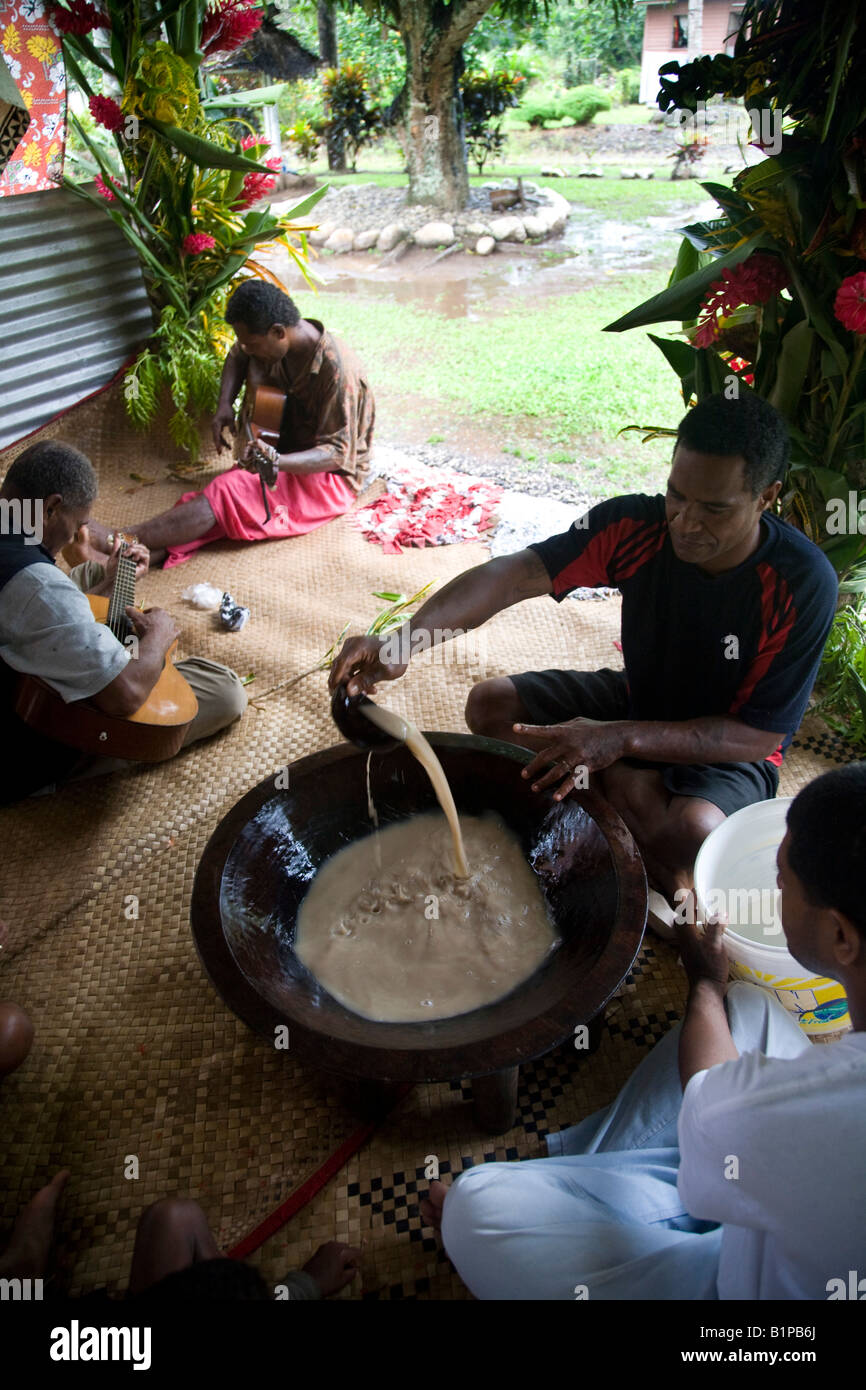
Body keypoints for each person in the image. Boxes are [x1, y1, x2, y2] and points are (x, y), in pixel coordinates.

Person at [330, 393, 838, 926]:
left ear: (766, 497)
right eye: (676, 496)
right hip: (640, 698)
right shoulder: (634, 527)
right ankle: (625, 809)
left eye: (714, 508)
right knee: (491, 706)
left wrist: (616, 738)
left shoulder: (801, 584)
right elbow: (514, 574)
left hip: (726, 747)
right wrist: (401, 644)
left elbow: (759, 737)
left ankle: (613, 806)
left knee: (698, 832)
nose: (686, 523)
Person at [420, 762, 866, 1300]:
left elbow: (716, 1106)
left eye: (783, 881)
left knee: (477, 1211)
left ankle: (574, 1197)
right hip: (769, 1194)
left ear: (841, 935)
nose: (772, 886)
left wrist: (703, 979)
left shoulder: (838, 1102)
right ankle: (597, 1187)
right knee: (748, 1008)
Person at [0, 441, 247, 804]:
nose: (73, 537)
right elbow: (125, 694)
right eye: (77, 524)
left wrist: (112, 581)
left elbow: (40, 612)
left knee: (86, 576)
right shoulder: (42, 589)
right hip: (25, 749)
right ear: (52, 507)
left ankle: (111, 595)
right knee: (225, 690)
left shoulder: (21, 552)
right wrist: (159, 636)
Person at [73, 281, 375, 568]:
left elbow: (336, 454)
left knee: (228, 493)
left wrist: (278, 461)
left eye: (252, 344)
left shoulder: (336, 372)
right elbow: (238, 355)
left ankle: (117, 541)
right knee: (228, 508)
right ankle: (131, 561)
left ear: (278, 332)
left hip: (330, 480)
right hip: (282, 452)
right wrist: (223, 406)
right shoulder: (272, 342)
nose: (247, 349)